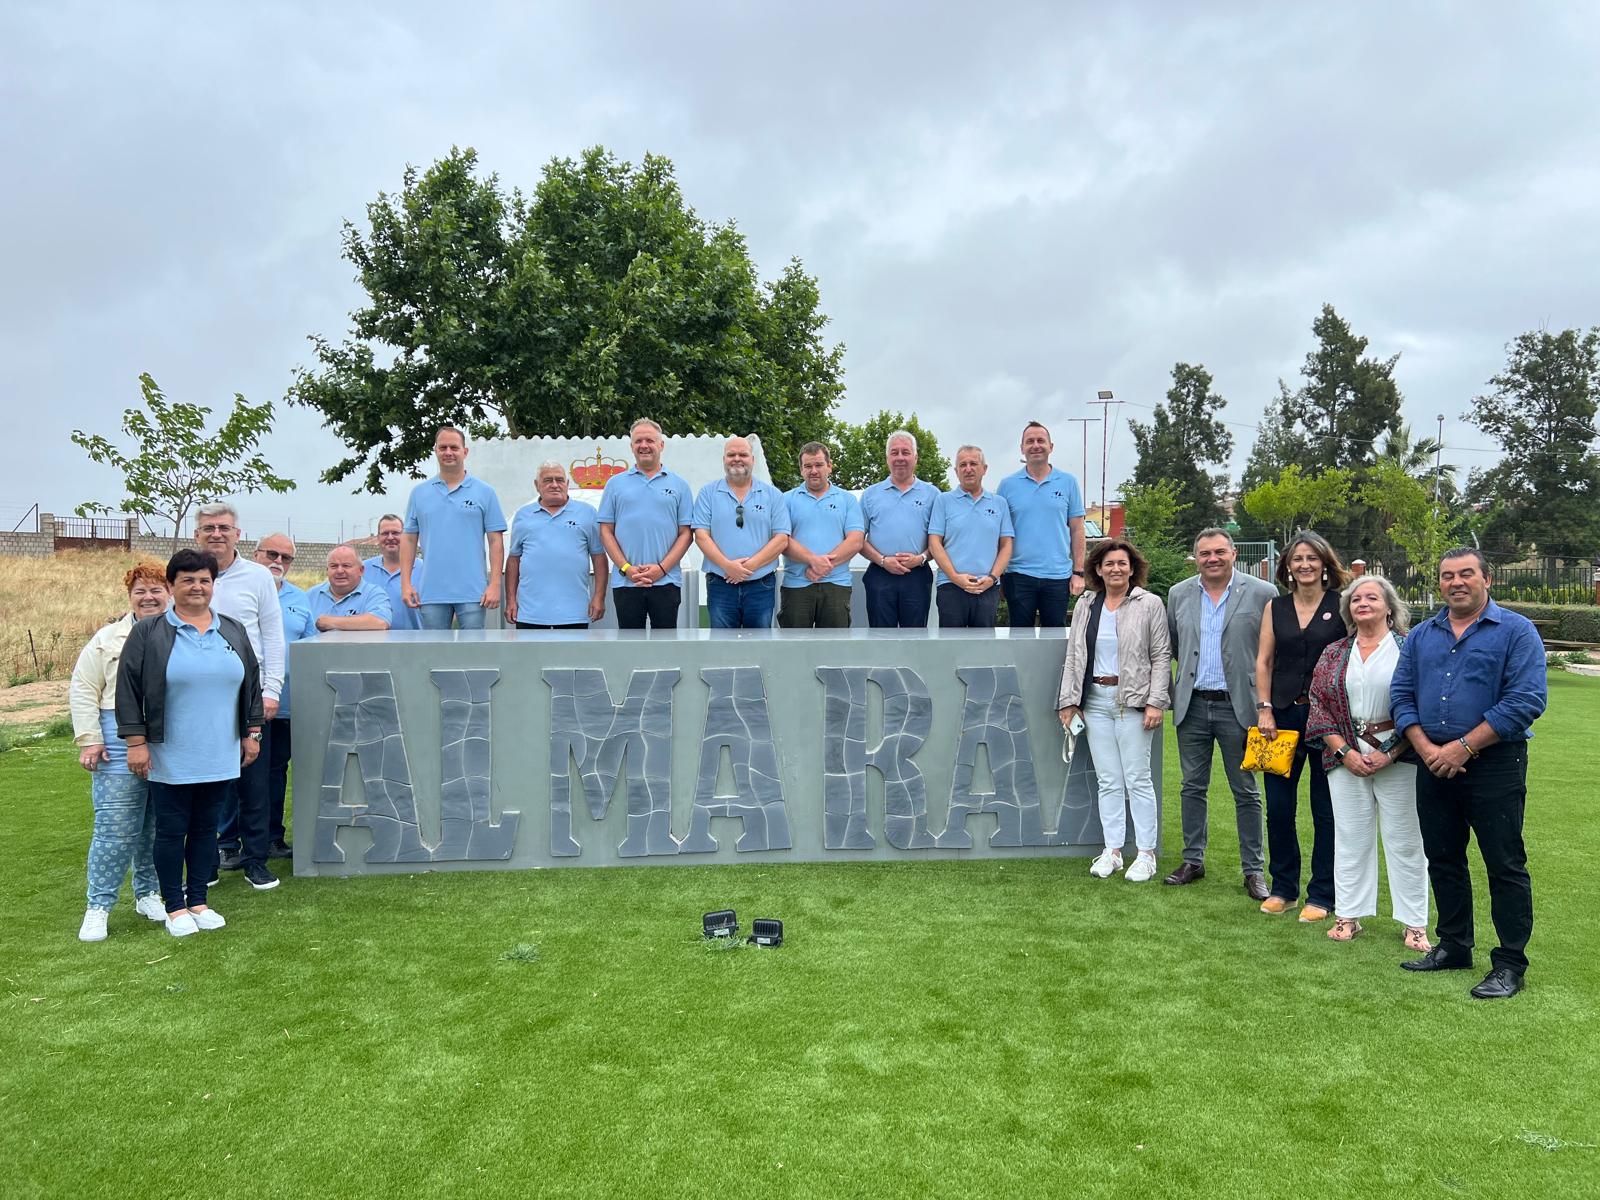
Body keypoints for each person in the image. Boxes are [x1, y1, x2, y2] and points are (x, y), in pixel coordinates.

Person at [1390, 548, 1547, 1000]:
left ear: (1487, 579)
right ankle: (1455, 945)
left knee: (1504, 863)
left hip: (1494, 763)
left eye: (1465, 574)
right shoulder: (1422, 635)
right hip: (1432, 761)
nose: (1456, 582)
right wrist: (1426, 748)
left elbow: (1525, 701)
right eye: (1446, 576)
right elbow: (1402, 696)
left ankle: (1510, 964)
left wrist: (1462, 747)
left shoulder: (1516, 632)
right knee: (1442, 858)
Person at [116, 549, 265, 937]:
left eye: (204, 580)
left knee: (205, 829)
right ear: (171, 586)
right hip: (171, 751)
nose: (197, 587)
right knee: (171, 830)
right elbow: (128, 690)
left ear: (213, 586)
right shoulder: (148, 633)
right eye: (187, 579)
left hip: (220, 750)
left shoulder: (232, 629)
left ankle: (198, 901)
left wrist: (252, 733)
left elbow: (252, 684)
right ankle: (175, 907)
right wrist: (136, 742)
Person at [1306, 575, 1430, 949]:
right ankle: (1348, 916)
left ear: (1389, 606)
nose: (1363, 602)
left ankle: (1414, 924)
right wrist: (1345, 752)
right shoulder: (1334, 652)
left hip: (1400, 756)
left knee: (1406, 840)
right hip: (1346, 757)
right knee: (1350, 838)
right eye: (1356, 598)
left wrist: (1390, 751)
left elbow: (1422, 703)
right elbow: (1318, 704)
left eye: (1372, 597)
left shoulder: (1410, 649)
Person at [1164, 528, 1279, 898]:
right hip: (1193, 704)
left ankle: (1253, 870)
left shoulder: (1263, 593)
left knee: (1246, 790)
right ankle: (1192, 861)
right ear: (1194, 557)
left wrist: (1265, 704)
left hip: (1241, 707)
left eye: (1218, 552)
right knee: (1191, 787)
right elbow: (1176, 644)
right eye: (1204, 554)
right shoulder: (1178, 594)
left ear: (1233, 553)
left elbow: (1270, 652)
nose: (1211, 559)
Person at [1055, 539, 1169, 882]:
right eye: (1109, 564)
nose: (1115, 569)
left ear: (1132, 568)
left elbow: (1162, 655)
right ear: (1098, 570)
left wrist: (1156, 701)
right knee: (1108, 781)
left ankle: (1146, 854)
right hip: (1095, 701)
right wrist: (1068, 701)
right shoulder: (1088, 604)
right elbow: (1074, 657)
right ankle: (1114, 851)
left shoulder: (1149, 604)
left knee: (1137, 779)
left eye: (1122, 563)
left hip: (1132, 701)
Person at [69, 562, 172, 940]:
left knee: (158, 826)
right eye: (140, 591)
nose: (148, 597)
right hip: (116, 736)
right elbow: (83, 689)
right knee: (115, 828)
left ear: (170, 593)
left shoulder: (184, 633)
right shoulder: (107, 638)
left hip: (169, 738)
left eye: (156, 589)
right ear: (129, 596)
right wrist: (90, 738)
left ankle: (148, 893)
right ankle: (98, 906)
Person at [1252, 530, 1349, 922]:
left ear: (1326, 564)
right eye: (1297, 559)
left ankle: (1323, 894)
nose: (1304, 565)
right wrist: (1264, 709)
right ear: (1287, 567)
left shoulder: (1342, 606)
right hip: (1280, 720)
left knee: (1326, 811)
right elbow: (1263, 661)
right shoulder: (1275, 607)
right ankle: (1283, 889)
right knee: (1278, 808)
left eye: (1312, 558)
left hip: (1328, 723)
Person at [195, 502, 284, 891]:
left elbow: (273, 636)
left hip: (248, 694)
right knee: (206, 781)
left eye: (224, 527)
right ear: (197, 535)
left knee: (254, 782)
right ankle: (211, 857)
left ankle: (256, 860)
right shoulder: (188, 575)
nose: (217, 533)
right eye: (209, 528)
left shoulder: (258, 576)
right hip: (198, 697)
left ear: (238, 534)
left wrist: (271, 690)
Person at [401, 425, 507, 631]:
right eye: (443, 448)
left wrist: (494, 585)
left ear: (465, 452)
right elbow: (409, 539)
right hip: (431, 592)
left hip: (473, 593)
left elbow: (496, 542)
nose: (448, 452)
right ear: (435, 450)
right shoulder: (419, 493)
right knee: (434, 656)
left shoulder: (485, 492)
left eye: (454, 447)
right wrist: (405, 584)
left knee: (473, 656)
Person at [598, 418, 694, 630]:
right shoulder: (615, 485)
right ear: (631, 446)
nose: (644, 445)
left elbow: (686, 534)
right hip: (626, 582)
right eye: (638, 441)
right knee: (630, 648)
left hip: (666, 581)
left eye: (649, 440)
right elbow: (605, 531)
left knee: (666, 648)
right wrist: (626, 568)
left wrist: (661, 569)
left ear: (661, 445)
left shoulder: (680, 485)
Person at [253, 532, 313, 858]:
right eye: (272, 554)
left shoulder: (299, 598)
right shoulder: (237, 590)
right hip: (246, 701)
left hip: (286, 702)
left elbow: (310, 643)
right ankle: (228, 844)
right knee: (242, 772)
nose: (278, 562)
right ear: (256, 553)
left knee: (276, 772)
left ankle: (273, 838)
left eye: (285, 558)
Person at [693, 436, 792, 629]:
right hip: (721, 584)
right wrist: (728, 567)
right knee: (722, 649)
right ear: (724, 459)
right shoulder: (707, 493)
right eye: (731, 454)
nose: (737, 458)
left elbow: (781, 539)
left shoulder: (773, 495)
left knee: (758, 647)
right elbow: (701, 535)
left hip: (760, 584)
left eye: (743, 454)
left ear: (752, 460)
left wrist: (748, 568)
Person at [996, 421, 1087, 628]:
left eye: (1040, 441)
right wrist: (998, 575)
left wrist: (1078, 572)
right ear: (1022, 448)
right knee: (1020, 639)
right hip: (1018, 575)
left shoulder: (1068, 482)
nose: (1035, 445)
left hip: (1057, 575)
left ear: (1051, 447)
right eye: (1030, 441)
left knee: (1054, 639)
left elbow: (1077, 529)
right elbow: (999, 533)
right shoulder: (1007, 485)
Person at [505, 461, 608, 629]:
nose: (554, 485)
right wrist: (510, 600)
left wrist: (599, 597)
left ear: (567, 484)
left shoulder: (587, 513)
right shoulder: (523, 515)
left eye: (560, 480)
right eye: (547, 480)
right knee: (530, 656)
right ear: (537, 485)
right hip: (530, 614)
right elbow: (514, 559)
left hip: (575, 613)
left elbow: (598, 558)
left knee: (572, 656)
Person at [859, 430, 942, 628]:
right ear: (887, 458)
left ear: (916, 457)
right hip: (879, 574)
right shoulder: (870, 495)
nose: (900, 458)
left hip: (917, 576)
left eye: (905, 452)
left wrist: (921, 558)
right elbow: (857, 539)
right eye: (894, 453)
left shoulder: (934, 495)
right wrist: (882, 560)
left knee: (914, 639)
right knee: (881, 638)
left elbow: (940, 540)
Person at [778, 442, 863, 629]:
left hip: (836, 586)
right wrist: (813, 560)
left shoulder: (847, 499)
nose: (813, 471)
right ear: (801, 470)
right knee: (794, 648)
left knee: (833, 652)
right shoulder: (786, 500)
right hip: (796, 586)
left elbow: (856, 540)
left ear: (829, 466)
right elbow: (782, 539)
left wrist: (823, 567)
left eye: (818, 465)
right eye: (808, 466)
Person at [926, 445, 1013, 628]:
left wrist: (992, 578)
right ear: (956, 471)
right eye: (963, 464)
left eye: (973, 463)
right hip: (950, 586)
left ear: (984, 469)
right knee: (951, 650)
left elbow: (1006, 546)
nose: (968, 469)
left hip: (987, 587)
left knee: (983, 649)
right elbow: (935, 543)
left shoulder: (999, 503)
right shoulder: (943, 501)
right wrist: (955, 577)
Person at [306, 545, 394, 631]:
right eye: (334, 566)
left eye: (346, 566)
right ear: (327, 570)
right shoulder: (311, 595)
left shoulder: (374, 594)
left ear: (361, 570)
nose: (339, 571)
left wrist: (329, 622)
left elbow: (380, 622)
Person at [363, 514, 425, 631]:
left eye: (396, 533)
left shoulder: (424, 569)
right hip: (373, 644)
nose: (390, 537)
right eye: (385, 533)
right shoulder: (363, 569)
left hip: (415, 644)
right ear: (378, 538)